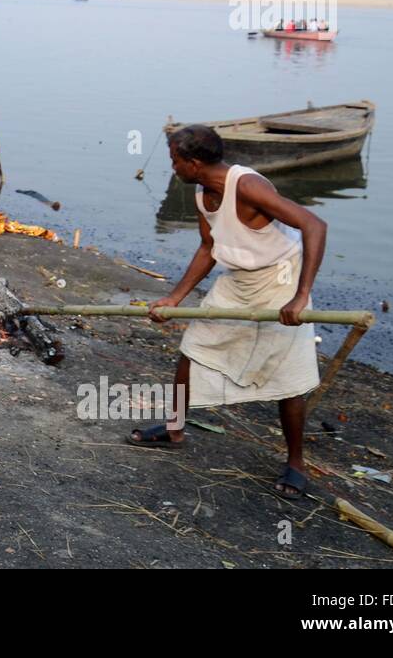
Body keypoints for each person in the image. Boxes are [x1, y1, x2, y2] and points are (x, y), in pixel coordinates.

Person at [132, 125, 327, 500]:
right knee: (193, 350)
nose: (172, 167)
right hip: (237, 282)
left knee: (287, 378)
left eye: (174, 160)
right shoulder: (204, 195)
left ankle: (296, 463)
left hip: (280, 282)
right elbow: (208, 247)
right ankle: (174, 429)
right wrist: (174, 298)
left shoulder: (248, 186)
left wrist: (300, 296)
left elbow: (314, 225)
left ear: (193, 162)